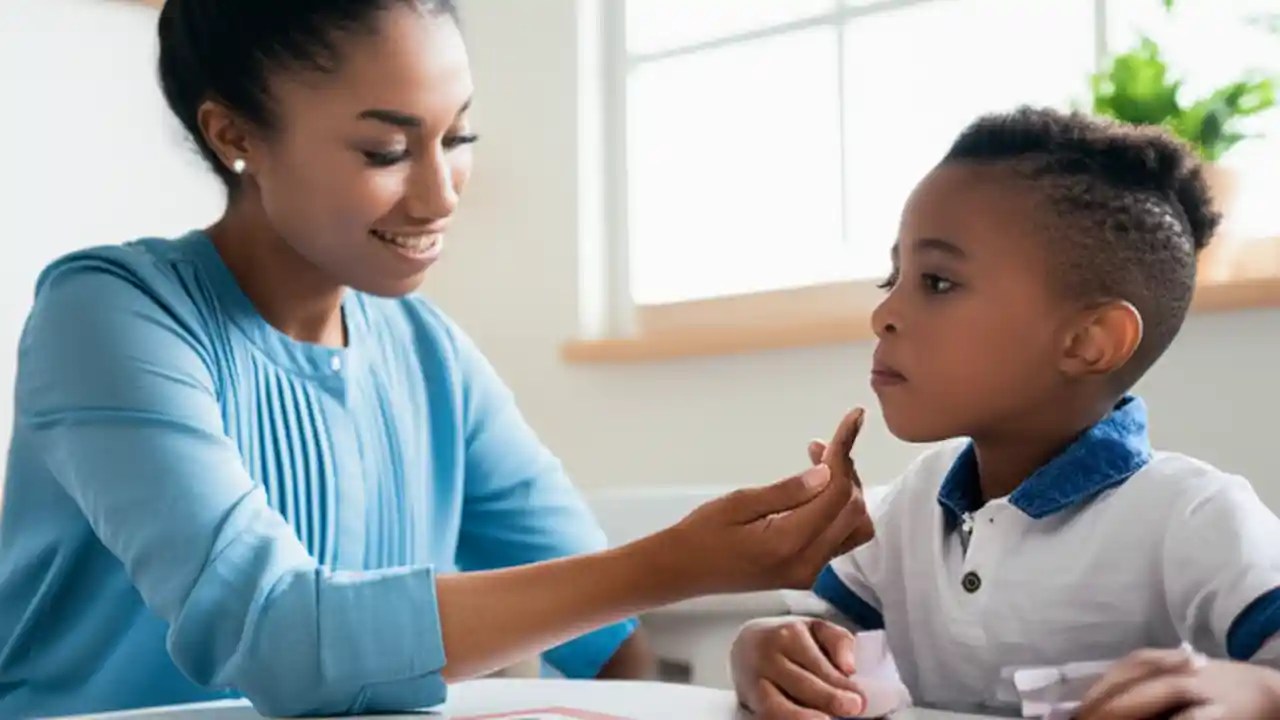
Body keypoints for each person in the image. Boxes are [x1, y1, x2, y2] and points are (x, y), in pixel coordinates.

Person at [0, 2, 876, 718]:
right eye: (386, 149)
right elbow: (274, 635)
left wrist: (759, 663)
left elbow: (611, 651)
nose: (441, 190)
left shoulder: (429, 357)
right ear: (237, 134)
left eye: (457, 138)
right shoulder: (110, 315)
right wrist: (680, 561)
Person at [729, 107, 1280, 719]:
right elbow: (817, 639)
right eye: (895, 275)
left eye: (937, 282)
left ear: (1088, 341)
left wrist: (1261, 691)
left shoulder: (1194, 515)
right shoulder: (910, 506)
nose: (882, 314)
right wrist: (764, 648)